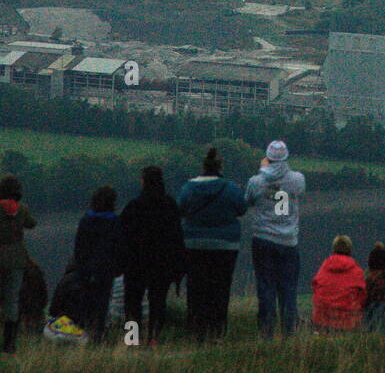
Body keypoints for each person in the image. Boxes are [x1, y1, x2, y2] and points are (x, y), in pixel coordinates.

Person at [178, 148, 247, 342]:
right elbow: (242, 209)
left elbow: (180, 209)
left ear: (203, 167)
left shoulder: (188, 188)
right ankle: (217, 332)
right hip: (225, 246)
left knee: (195, 288)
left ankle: (195, 330)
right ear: (220, 167)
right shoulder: (231, 188)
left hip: (194, 245)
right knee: (220, 289)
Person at [245, 140, 306, 339]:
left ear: (267, 157)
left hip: (263, 239)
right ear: (286, 158)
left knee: (266, 287)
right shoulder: (297, 179)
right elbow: (297, 188)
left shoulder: (256, 181)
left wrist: (263, 170)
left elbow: (248, 200)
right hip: (288, 240)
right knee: (288, 289)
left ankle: (267, 333)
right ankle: (289, 332)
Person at [120, 166, 186, 345]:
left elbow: (122, 236)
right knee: (158, 302)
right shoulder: (170, 204)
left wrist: (121, 262)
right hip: (162, 263)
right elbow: (177, 236)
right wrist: (178, 265)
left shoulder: (134, 206)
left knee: (132, 303)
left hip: (136, 263)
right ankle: (154, 338)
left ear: (143, 182)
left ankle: (131, 340)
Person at [73, 185, 125, 342]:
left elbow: (79, 246)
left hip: (86, 268)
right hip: (106, 268)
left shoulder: (85, 220)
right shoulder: (115, 222)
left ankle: (83, 334)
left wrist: (80, 265)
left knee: (86, 301)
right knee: (102, 303)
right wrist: (119, 267)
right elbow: (120, 246)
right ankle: (99, 335)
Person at [0, 174, 37, 353]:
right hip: (16, 259)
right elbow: (32, 224)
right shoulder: (21, 209)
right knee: (12, 300)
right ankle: (9, 344)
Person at [312, 235, 366, 332]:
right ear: (350, 250)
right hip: (348, 322)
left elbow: (315, 288)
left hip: (322, 321)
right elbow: (362, 297)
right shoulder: (357, 271)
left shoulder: (323, 268)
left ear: (334, 249)